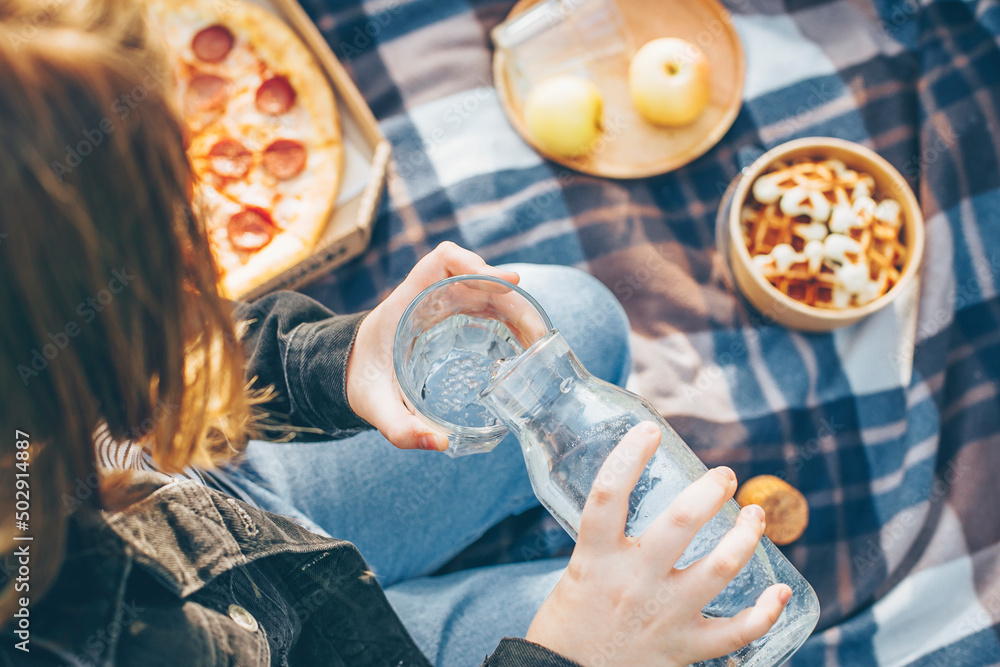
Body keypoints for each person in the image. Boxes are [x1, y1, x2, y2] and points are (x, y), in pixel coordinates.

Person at [0, 0, 790, 664]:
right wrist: (567, 651)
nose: (200, 226)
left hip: (229, 506)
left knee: (574, 319)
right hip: (303, 639)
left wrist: (333, 362)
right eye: (172, 204)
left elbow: (148, 367)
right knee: (714, 636)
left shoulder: (35, 373)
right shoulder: (62, 634)